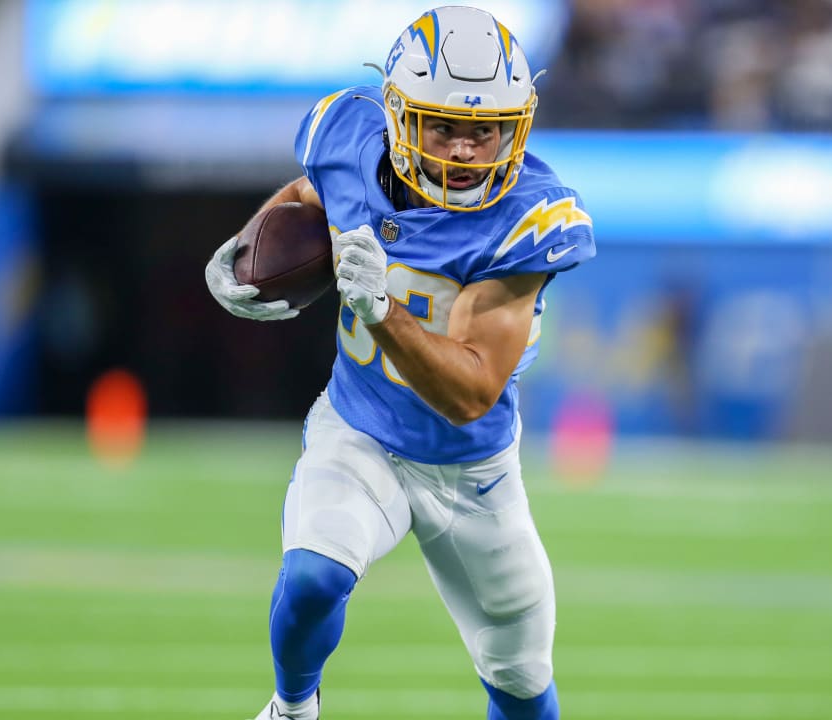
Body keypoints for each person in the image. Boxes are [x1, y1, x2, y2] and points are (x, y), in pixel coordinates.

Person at [205, 7, 595, 719]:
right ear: (395, 115)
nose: (465, 150)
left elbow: (472, 390)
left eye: (485, 130)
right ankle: (293, 708)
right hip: (360, 431)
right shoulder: (348, 140)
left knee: (521, 679)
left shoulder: (532, 219)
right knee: (316, 575)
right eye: (443, 124)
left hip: (471, 472)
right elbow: (309, 196)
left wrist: (383, 310)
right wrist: (245, 249)